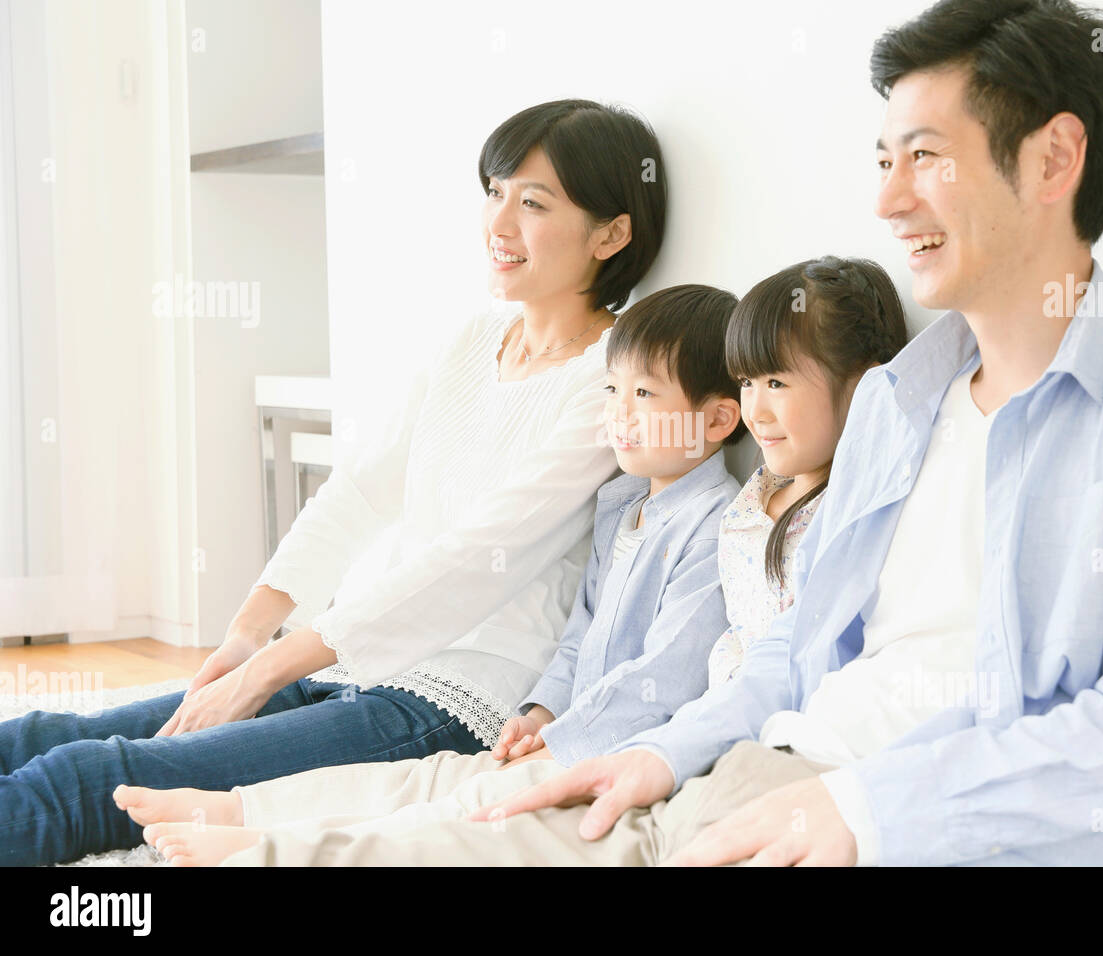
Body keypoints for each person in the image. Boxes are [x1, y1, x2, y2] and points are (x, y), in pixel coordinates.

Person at [163, 0, 1103, 867]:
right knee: (332, 849)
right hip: (755, 778)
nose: (890, 202)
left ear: (1052, 160)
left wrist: (853, 806)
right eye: (882, 160)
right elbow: (800, 648)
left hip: (917, 830)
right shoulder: (899, 399)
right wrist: (653, 749)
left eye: (927, 156)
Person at [0, 98, 668, 866]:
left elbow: (471, 562)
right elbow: (359, 492)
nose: (500, 224)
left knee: (90, 779)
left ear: (612, 233)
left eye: (534, 203)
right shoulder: (473, 342)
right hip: (348, 660)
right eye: (493, 193)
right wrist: (249, 638)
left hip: (451, 700)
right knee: (45, 734)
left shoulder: (614, 381)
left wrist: (269, 673)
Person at [138, 255, 918, 866]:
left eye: (777, 382)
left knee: (468, 815)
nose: (759, 408)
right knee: (437, 781)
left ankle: (273, 850)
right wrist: (545, 707)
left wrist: (575, 733)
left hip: (647, 737)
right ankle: (246, 810)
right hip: (590, 725)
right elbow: (580, 631)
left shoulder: (734, 517)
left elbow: (674, 671)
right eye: (751, 382)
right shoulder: (655, 505)